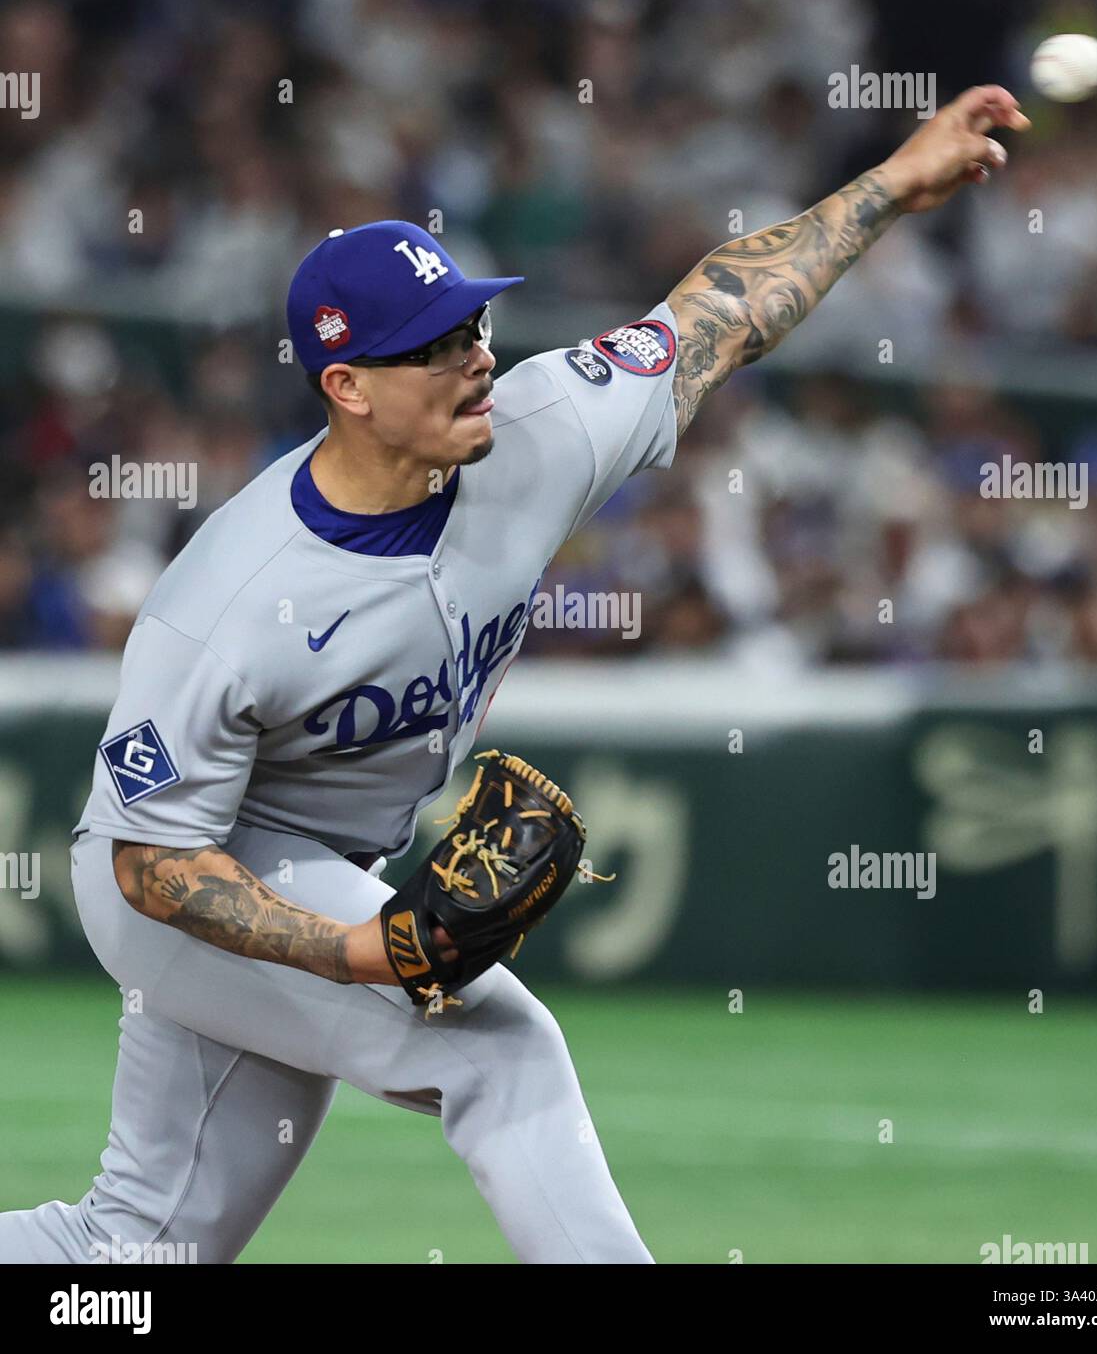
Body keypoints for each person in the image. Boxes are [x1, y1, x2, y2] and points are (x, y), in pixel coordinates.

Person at [0, 86, 1029, 1265]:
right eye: (435, 346)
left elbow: (717, 312)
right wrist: (354, 950)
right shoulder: (228, 602)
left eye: (475, 325)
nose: (477, 358)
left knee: (137, 1253)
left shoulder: (543, 426)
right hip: (184, 872)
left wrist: (893, 182)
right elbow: (152, 864)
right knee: (499, 1048)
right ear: (347, 386)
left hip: (321, 859)